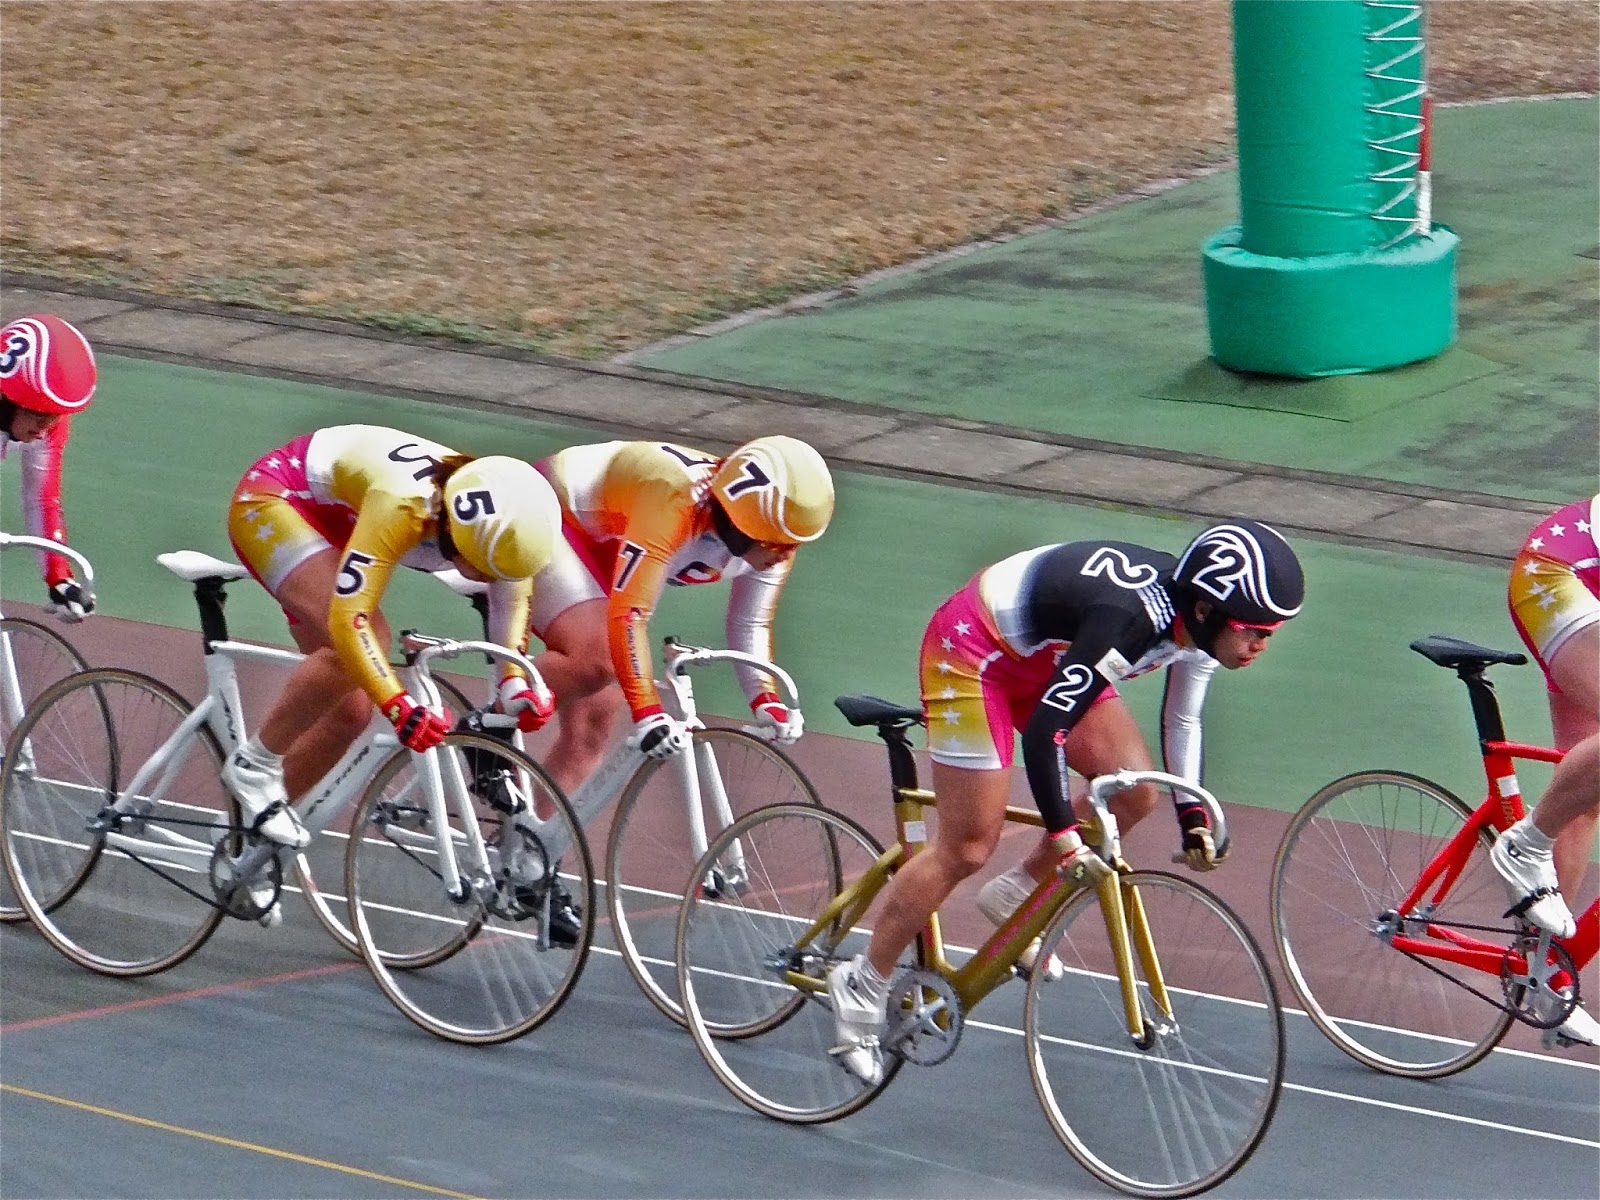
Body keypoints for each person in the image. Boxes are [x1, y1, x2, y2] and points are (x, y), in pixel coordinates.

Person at [827, 519, 1304, 1084]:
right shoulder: (1131, 619)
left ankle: (1019, 893)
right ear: (1205, 609)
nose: (1261, 645)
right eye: (1254, 630)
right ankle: (861, 983)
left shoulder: (1199, 626)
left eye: (1272, 633)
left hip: (1048, 658)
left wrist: (1193, 819)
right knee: (968, 846)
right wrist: (1065, 836)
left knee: (1136, 790)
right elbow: (1046, 731)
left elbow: (1183, 716)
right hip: (973, 653)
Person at [221, 424, 562, 868]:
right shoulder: (405, 505)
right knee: (370, 640)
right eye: (480, 569)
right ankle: (255, 763)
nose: (485, 579)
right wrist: (399, 706)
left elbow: (511, 596)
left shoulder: (500, 519)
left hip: (343, 521)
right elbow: (351, 620)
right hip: (276, 503)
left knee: (349, 714)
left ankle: (246, 853)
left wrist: (513, 686)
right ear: (455, 536)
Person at [525, 436, 834, 794]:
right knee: (598, 662)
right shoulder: (674, 502)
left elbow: (751, 623)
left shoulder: (771, 536)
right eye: (777, 542)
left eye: (796, 543)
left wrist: (766, 700)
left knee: (594, 723)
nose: (786, 554)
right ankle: (491, 721)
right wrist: (648, 713)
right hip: (548, 513)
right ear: (738, 524)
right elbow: (630, 616)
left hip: (611, 546)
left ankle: (529, 848)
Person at [1490, 494, 1599, 1047]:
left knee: (1586, 800)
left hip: (1590, 593)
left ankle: (1546, 977)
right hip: (1555, 575)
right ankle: (1524, 845)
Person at [0, 313, 99, 621]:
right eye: (41, 418)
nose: (45, 430)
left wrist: (59, 578)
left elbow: (41, 499)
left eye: (55, 418)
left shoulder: (49, 419)